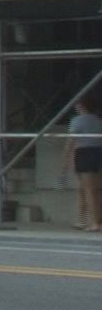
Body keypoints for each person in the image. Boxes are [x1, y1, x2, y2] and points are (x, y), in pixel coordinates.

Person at [70, 93, 102, 233]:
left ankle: (95, 222)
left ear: (81, 105)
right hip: (97, 152)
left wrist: (65, 159)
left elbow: (70, 141)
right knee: (87, 188)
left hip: (84, 152)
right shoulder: (97, 120)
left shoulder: (77, 120)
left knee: (88, 189)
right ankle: (82, 220)